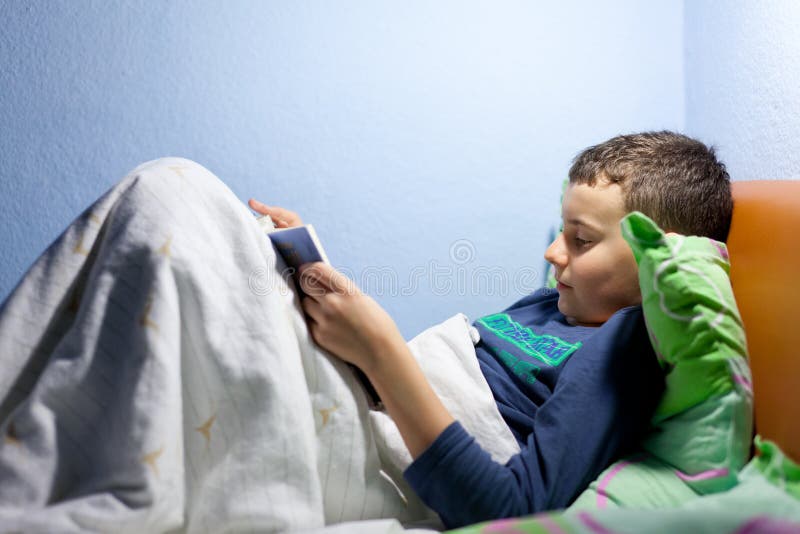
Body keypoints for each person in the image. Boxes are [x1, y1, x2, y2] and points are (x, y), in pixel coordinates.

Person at [247, 131, 733, 528]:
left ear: (654, 257)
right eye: (562, 232)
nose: (553, 253)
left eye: (581, 239)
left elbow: (511, 511)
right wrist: (315, 280)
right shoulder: (554, 305)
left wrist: (380, 350)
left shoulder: (621, 347)